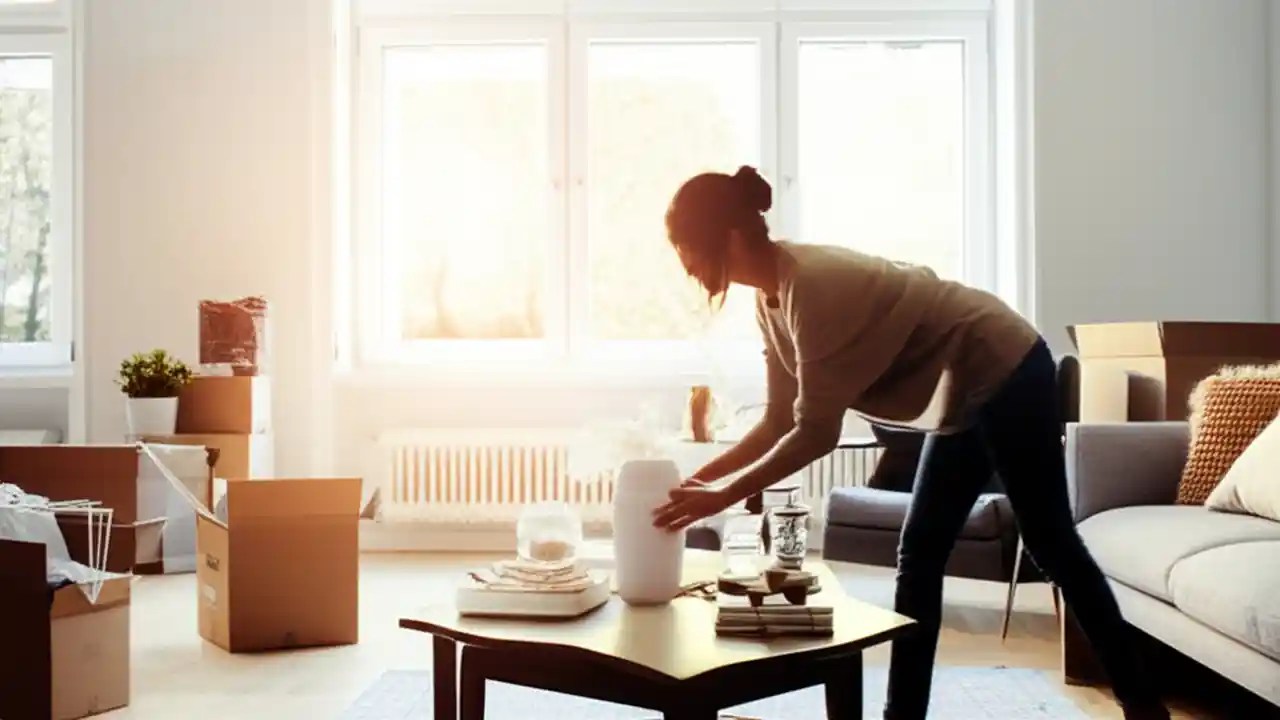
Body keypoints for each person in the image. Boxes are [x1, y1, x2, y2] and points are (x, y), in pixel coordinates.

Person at [651, 165, 1169, 720]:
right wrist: (704, 480)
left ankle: (1142, 706)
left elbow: (815, 433)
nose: (684, 262)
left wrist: (722, 497)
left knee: (1050, 542)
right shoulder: (771, 300)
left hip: (1008, 364)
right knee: (920, 553)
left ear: (727, 235)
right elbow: (779, 417)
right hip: (963, 391)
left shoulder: (811, 286)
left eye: (686, 246)